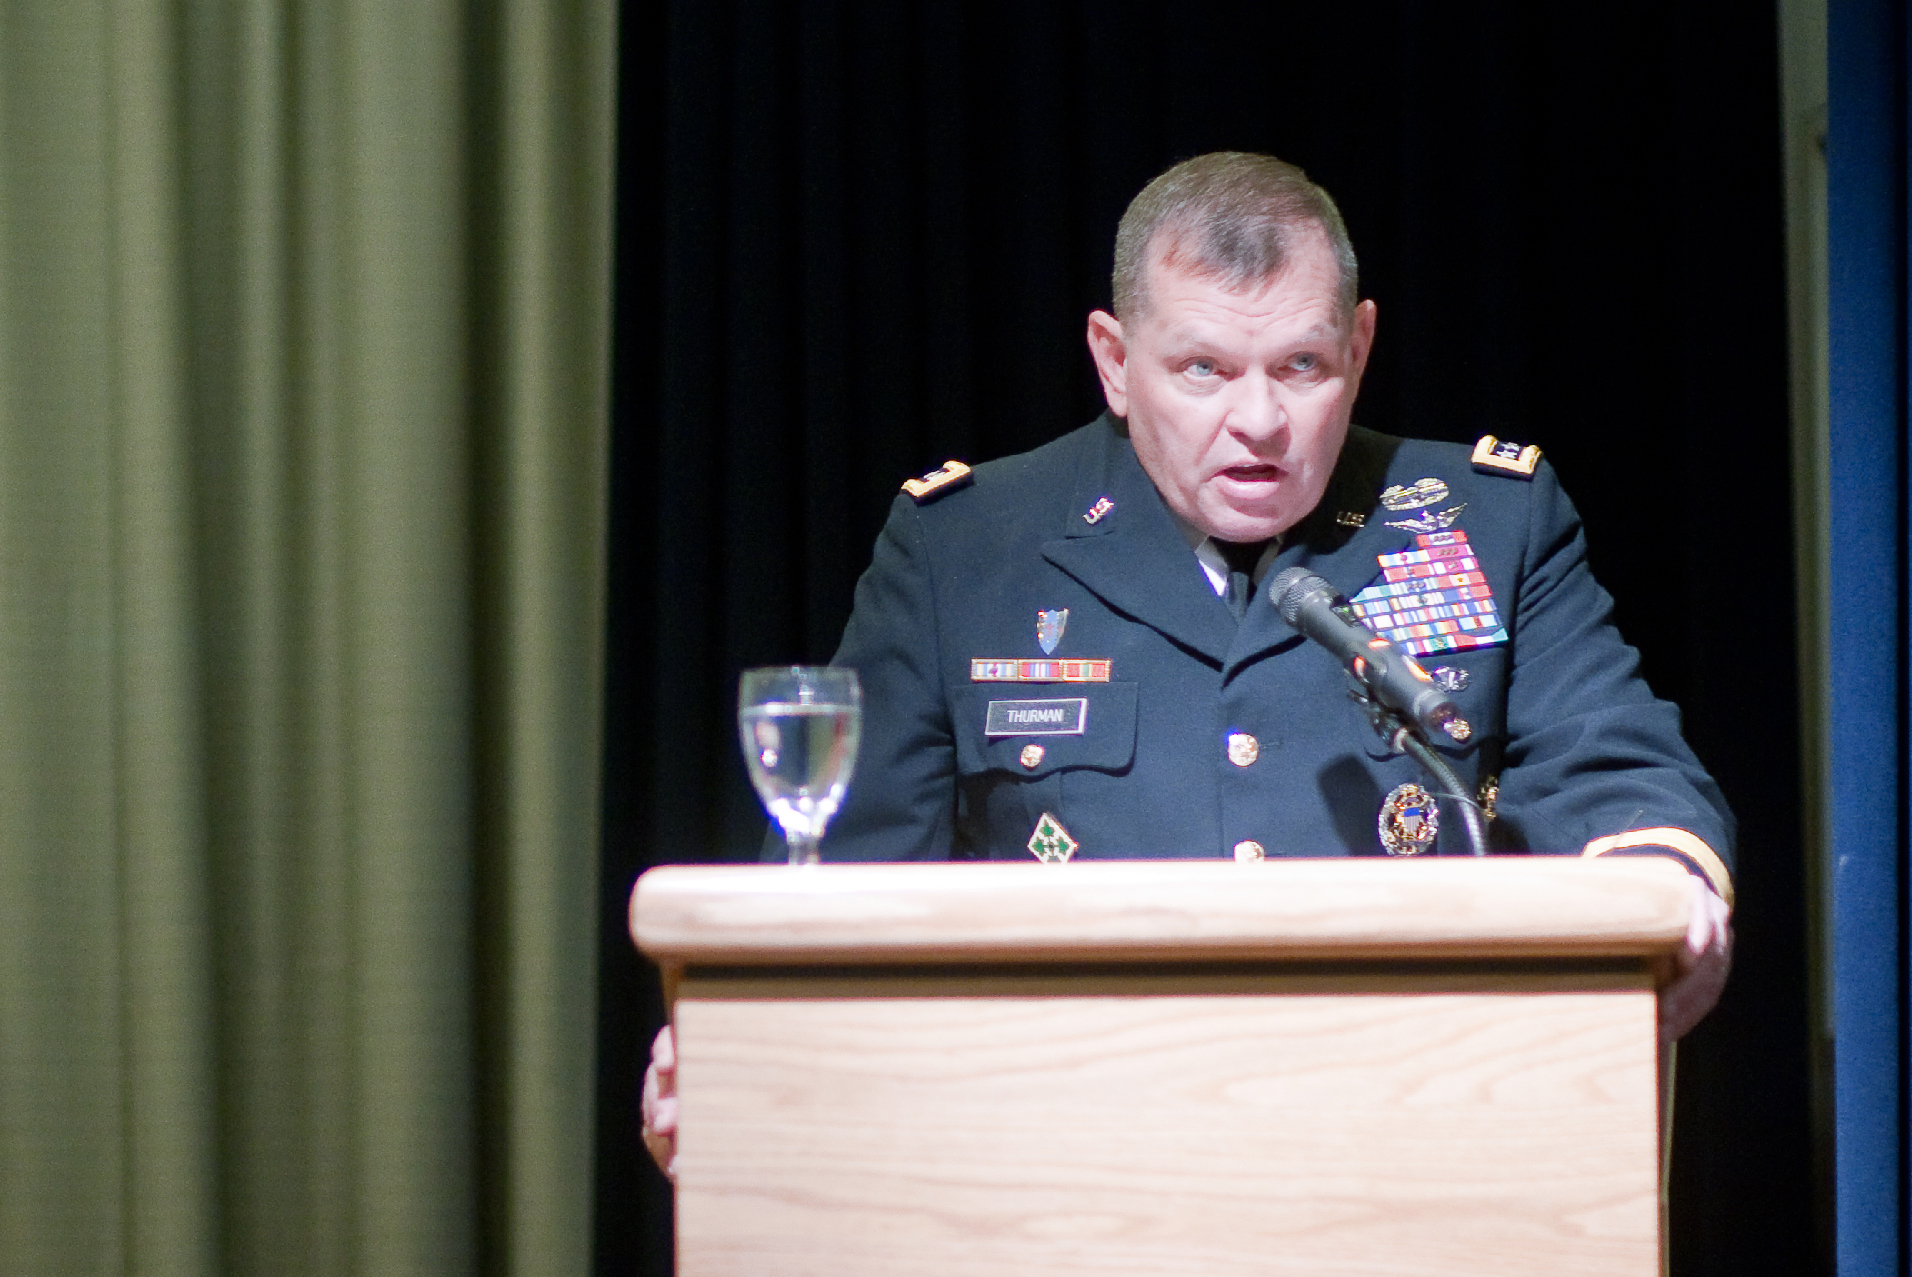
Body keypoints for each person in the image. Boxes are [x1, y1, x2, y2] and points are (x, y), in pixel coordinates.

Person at [644, 151, 1735, 1174]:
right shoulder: (968, 546)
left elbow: (1617, 768)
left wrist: (1671, 883)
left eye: (1301, 366)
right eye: (1203, 369)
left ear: (1358, 348)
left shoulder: (1484, 521)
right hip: (1054, 1153)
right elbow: (846, 873)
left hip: (1408, 1140)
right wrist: (751, 1045)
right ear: (1115, 363)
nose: (1257, 419)